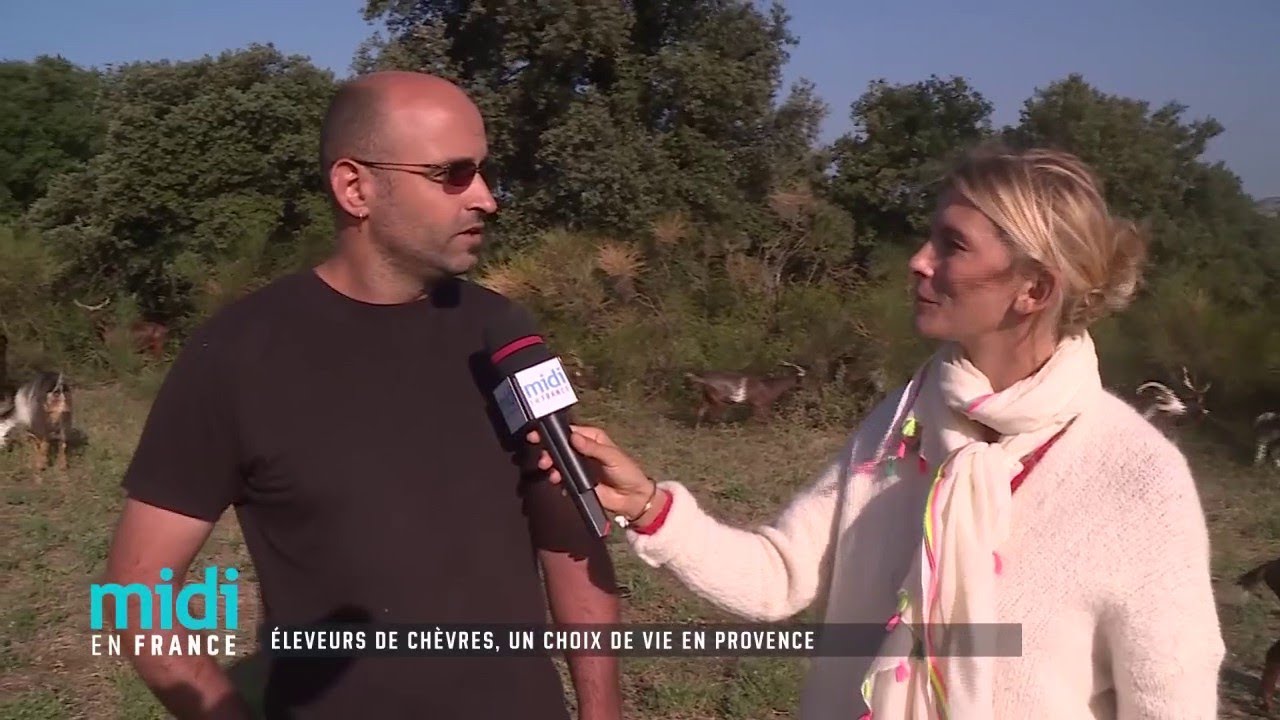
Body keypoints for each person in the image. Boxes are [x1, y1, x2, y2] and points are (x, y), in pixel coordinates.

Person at [528, 144, 1227, 718]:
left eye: (951, 245)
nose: (920, 262)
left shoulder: (1135, 476)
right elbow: (781, 576)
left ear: (1033, 289)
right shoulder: (903, 419)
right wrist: (651, 507)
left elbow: (1171, 704)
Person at [102, 71, 623, 720]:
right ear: (355, 187)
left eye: (484, 171)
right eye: (452, 174)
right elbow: (135, 588)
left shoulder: (506, 335)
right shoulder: (236, 355)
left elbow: (570, 538)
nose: (487, 198)